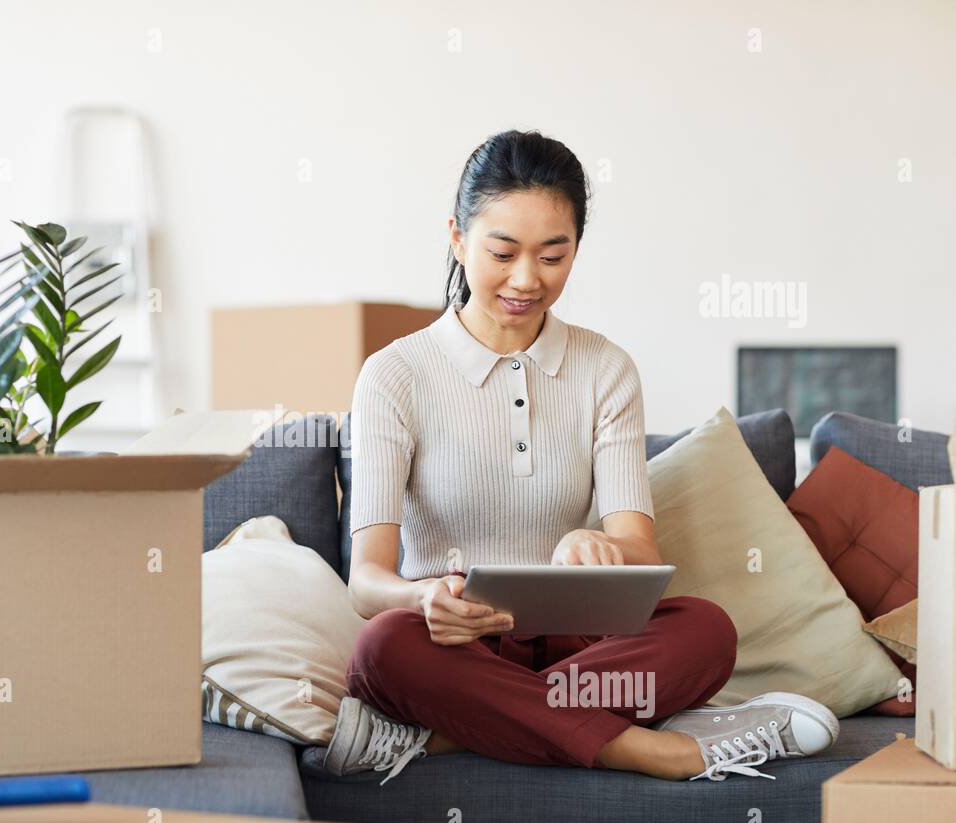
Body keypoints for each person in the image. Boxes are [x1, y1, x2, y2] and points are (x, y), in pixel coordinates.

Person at [323, 129, 838, 786]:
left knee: (706, 630)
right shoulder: (394, 375)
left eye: (553, 256)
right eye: (502, 252)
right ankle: (652, 749)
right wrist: (422, 596)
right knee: (383, 648)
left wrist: (600, 548)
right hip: (452, 646)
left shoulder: (605, 369)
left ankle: (457, 732)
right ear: (456, 237)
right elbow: (366, 582)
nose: (526, 279)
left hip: (578, 649)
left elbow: (641, 555)